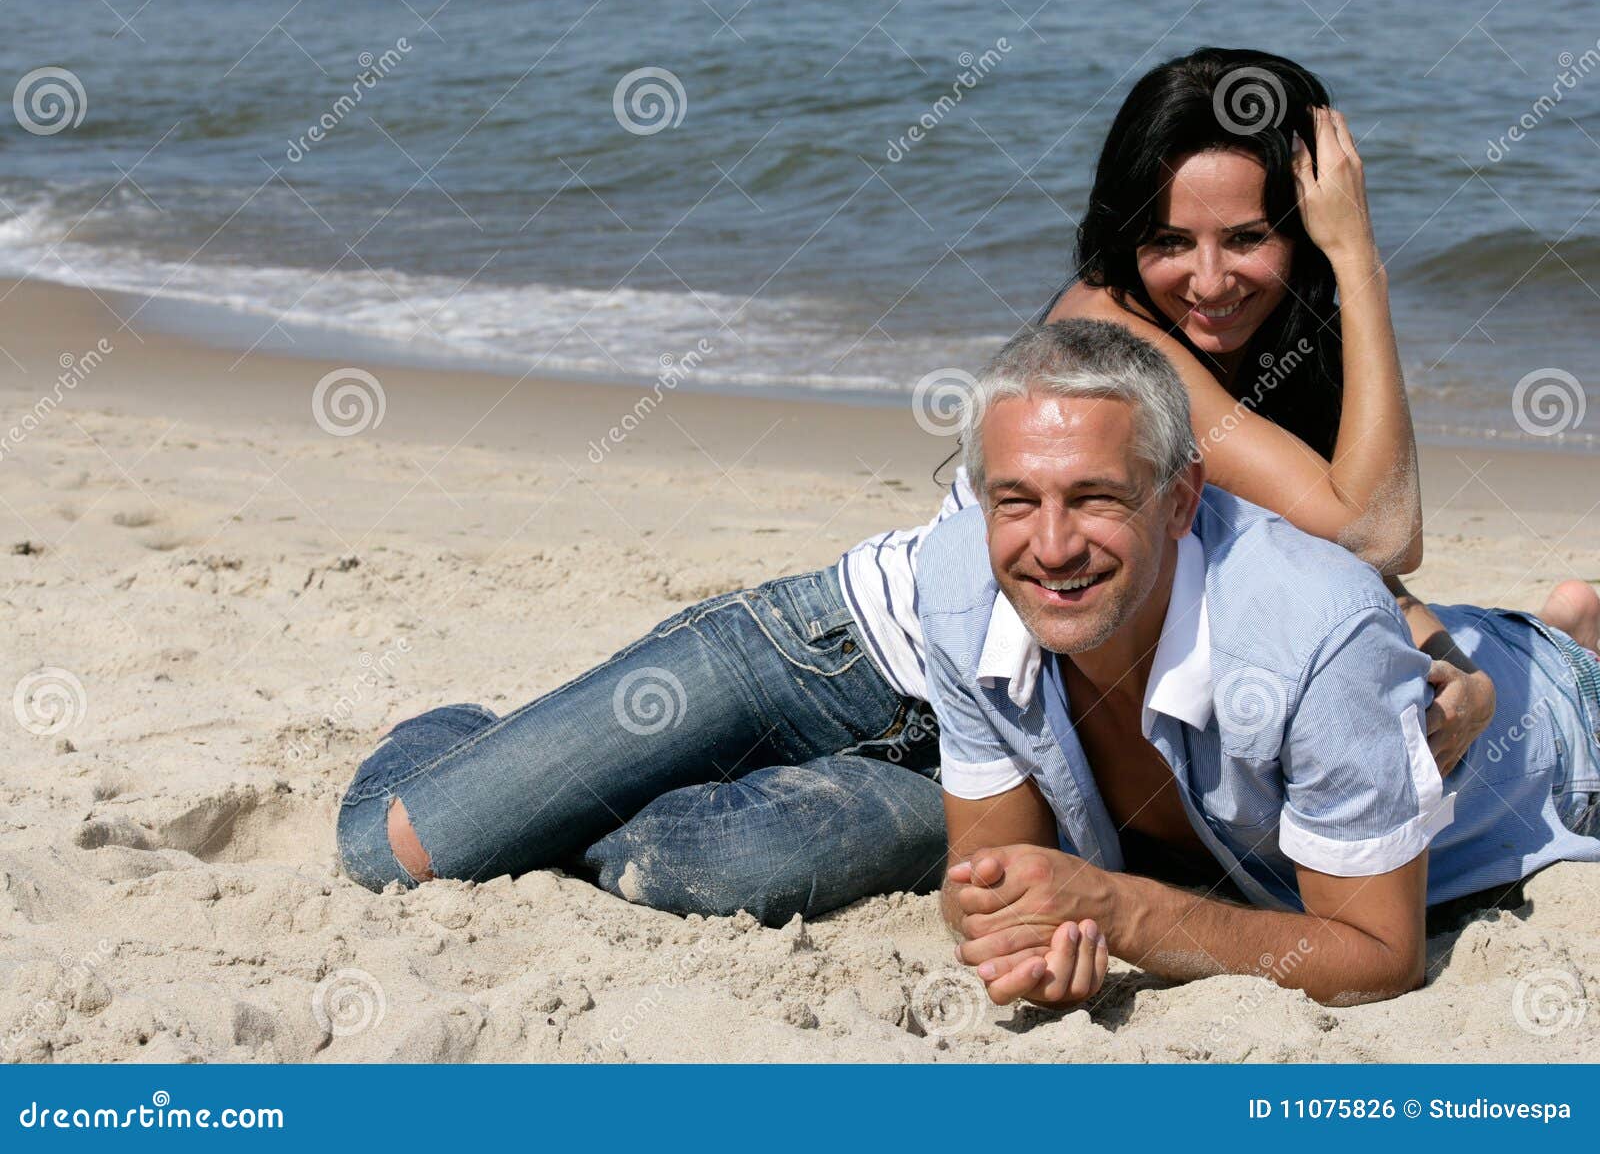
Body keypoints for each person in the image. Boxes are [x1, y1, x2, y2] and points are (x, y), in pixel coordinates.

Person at [334, 47, 1598, 923]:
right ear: (1127, 236)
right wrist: (1359, 252)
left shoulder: (1284, 362)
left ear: (1289, 233)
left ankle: (559, 784)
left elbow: (1323, 563)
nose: (1208, 279)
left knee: (698, 863)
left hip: (1016, 754)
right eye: (1170, 239)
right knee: (394, 849)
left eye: (1248, 238)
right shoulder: (1108, 328)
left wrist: (1448, 661)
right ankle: (477, 745)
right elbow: (1377, 521)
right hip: (847, 653)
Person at [924, 319, 1600, 1007]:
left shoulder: (1319, 635)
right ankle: (1561, 620)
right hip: (1379, 661)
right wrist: (1016, 932)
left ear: (1181, 499)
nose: (1052, 546)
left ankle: (1566, 640)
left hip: (1565, 738)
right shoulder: (958, 588)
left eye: (1095, 497)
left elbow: (1383, 958)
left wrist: (1119, 910)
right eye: (1016, 500)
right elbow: (986, 881)